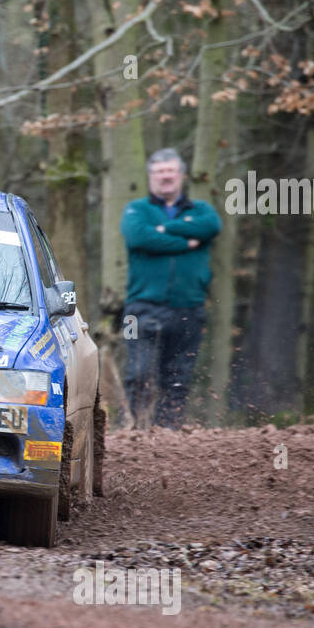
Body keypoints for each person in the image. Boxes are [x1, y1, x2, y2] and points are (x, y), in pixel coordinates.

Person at [120, 148, 222, 428]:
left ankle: (168, 433)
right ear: (151, 177)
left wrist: (164, 229)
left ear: (181, 175)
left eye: (170, 171)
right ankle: (135, 428)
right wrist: (184, 241)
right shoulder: (136, 210)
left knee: (178, 377)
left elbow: (211, 226)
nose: (165, 176)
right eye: (159, 171)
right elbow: (139, 237)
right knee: (138, 372)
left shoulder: (202, 210)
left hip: (189, 308)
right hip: (139, 309)